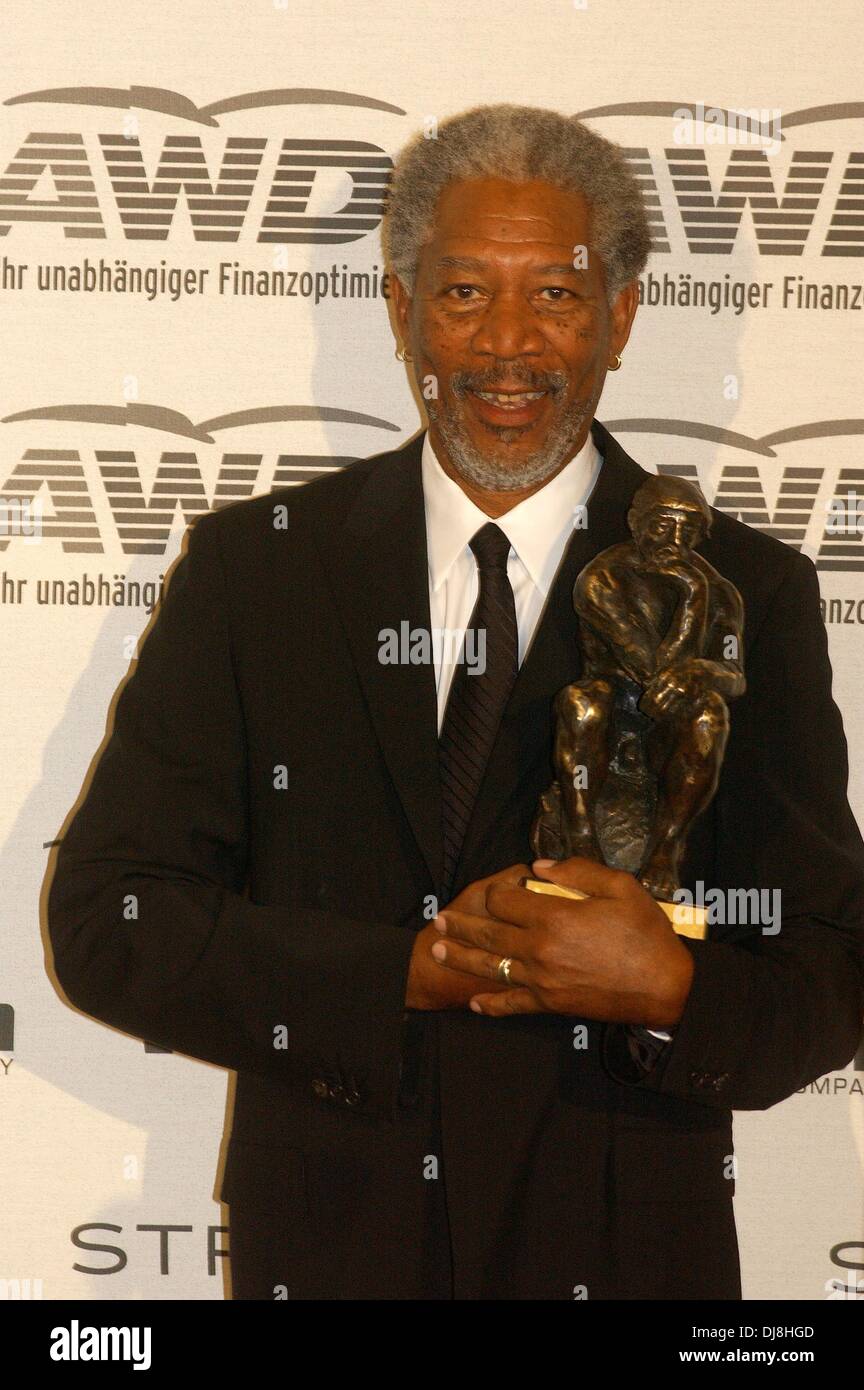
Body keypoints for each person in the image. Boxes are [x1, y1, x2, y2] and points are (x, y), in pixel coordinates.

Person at [45, 103, 864, 1301]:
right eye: (466, 293)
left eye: (558, 295)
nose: (507, 346)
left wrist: (674, 987)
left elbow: (832, 970)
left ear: (622, 317)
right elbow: (108, 919)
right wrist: (398, 974)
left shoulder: (742, 589)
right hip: (332, 1252)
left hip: (627, 1254)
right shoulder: (256, 571)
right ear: (401, 310)